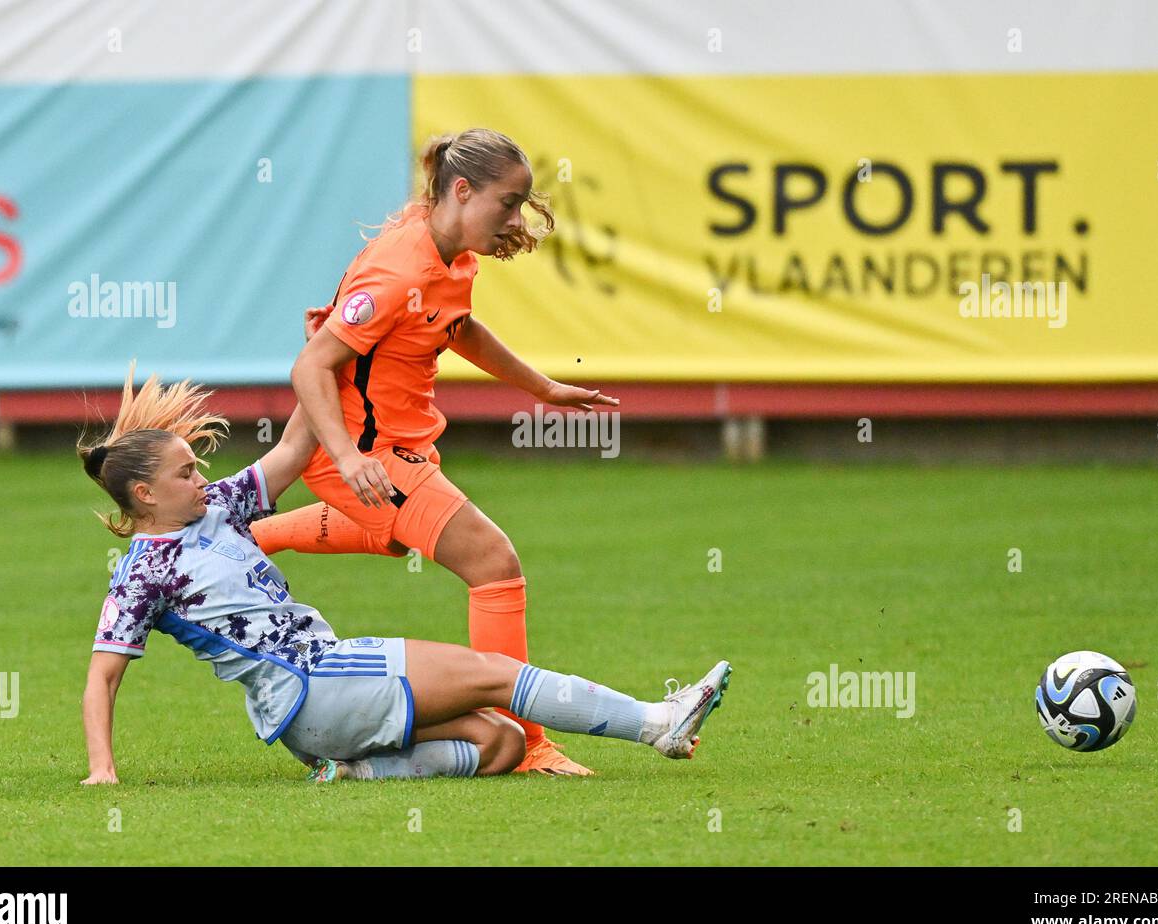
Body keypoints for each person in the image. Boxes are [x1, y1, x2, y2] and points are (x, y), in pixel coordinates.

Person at [79, 366, 730, 785]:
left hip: (325, 691)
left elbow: (294, 449)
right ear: (144, 494)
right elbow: (102, 677)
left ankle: (352, 772)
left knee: (497, 742)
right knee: (495, 674)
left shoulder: (219, 507)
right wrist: (102, 771)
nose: (201, 479)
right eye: (185, 473)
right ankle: (656, 724)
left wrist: (326, 355)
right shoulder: (140, 576)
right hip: (313, 686)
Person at [249, 127, 619, 775]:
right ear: (463, 189)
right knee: (492, 561)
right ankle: (528, 745)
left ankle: (259, 533)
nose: (515, 218)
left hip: (401, 445)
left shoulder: (454, 254)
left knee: (395, 535)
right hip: (367, 451)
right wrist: (347, 457)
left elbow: (458, 326)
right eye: (508, 202)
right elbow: (312, 367)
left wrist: (542, 387)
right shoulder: (398, 269)